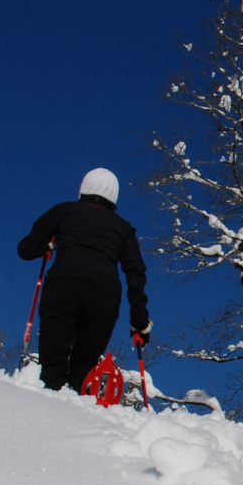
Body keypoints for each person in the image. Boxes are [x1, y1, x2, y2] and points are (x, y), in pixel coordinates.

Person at [18, 168, 151, 392]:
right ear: (113, 198)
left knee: (53, 365)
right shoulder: (124, 229)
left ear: (83, 189)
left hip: (63, 285)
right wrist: (139, 320)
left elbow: (26, 250)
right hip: (104, 295)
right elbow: (135, 272)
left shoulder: (65, 211)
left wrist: (47, 245)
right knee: (84, 368)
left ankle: (48, 403)